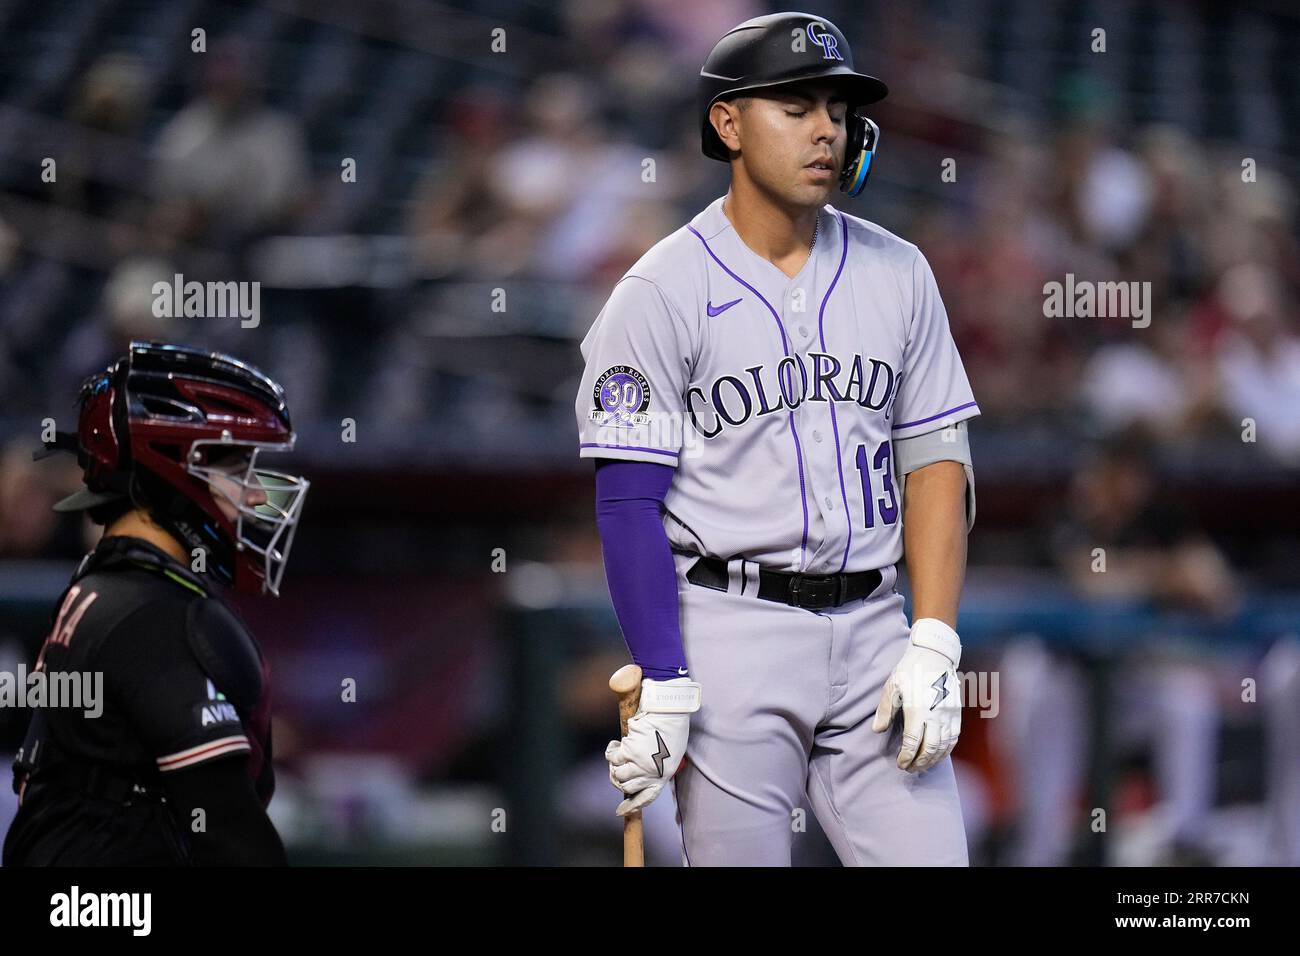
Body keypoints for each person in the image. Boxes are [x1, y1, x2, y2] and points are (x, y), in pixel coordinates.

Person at [576, 13, 979, 865]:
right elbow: (626, 502)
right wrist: (667, 675)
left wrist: (936, 638)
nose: (826, 128)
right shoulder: (658, 290)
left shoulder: (899, 270)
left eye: (836, 107)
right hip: (730, 631)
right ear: (727, 123)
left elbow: (936, 461)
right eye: (795, 106)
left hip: (876, 626)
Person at [4, 342, 309, 865]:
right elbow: (233, 837)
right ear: (169, 465)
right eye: (236, 468)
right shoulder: (154, 615)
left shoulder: (101, 585)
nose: (257, 496)